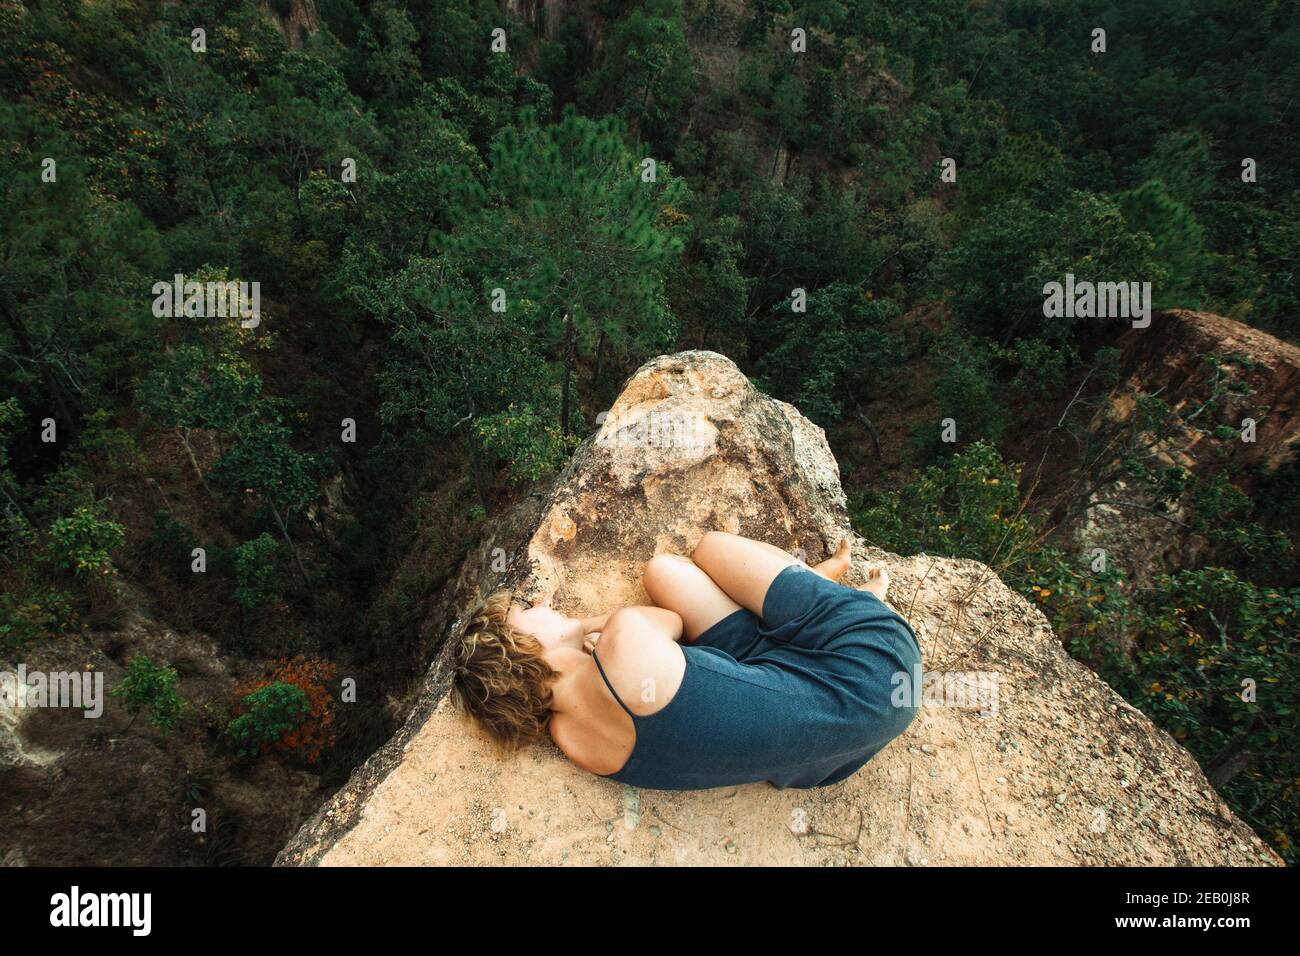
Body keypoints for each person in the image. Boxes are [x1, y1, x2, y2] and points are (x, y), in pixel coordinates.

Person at [452, 531, 922, 790]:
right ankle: (846, 597)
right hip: (878, 669)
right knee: (709, 550)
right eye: (526, 613)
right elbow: (670, 619)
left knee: (665, 573)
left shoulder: (571, 738)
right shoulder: (628, 638)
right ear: (527, 645)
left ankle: (816, 599)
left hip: (830, 758)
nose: (539, 606)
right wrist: (598, 628)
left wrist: (582, 648)